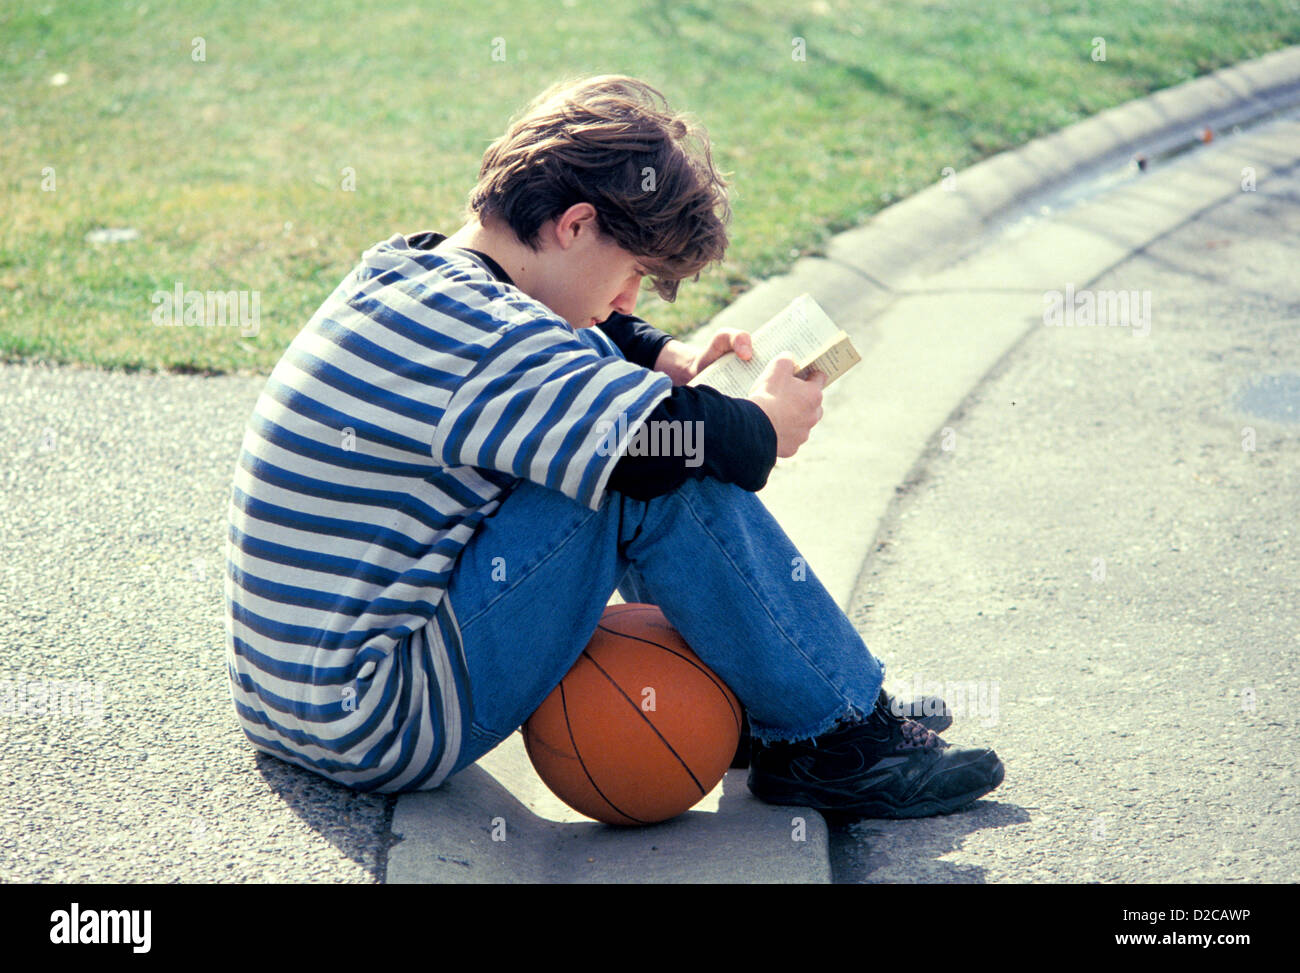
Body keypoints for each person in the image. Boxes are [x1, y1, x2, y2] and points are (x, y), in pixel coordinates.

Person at [223, 74, 1004, 818]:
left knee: (630, 424)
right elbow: (665, 444)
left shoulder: (406, 272)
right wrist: (765, 422)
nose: (627, 299)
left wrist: (662, 356)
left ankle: (801, 695)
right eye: (632, 271)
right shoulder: (498, 338)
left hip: (293, 700)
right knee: (648, 469)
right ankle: (831, 740)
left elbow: (568, 345)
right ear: (575, 225)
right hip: (385, 717)